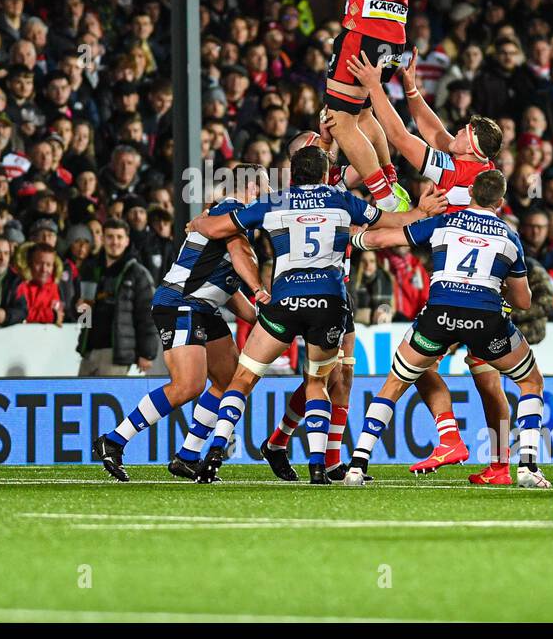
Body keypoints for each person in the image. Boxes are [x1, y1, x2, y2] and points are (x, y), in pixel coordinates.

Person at [186, 145, 442, 484]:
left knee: (243, 379)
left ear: (292, 175)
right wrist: (422, 210)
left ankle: (215, 452)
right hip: (330, 303)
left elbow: (219, 229)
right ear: (324, 175)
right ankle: (318, 465)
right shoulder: (341, 200)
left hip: (285, 302)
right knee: (319, 382)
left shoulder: (274, 202)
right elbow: (391, 222)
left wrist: (200, 222)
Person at [265, 0, 472, 212]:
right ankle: (389, 179)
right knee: (361, 114)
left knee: (339, 120)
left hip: (363, 32)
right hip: (394, 39)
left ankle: (386, 199)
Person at [339, 170, 547, 487]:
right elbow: (523, 300)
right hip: (486, 319)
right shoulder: (509, 236)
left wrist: (348, 238)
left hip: (441, 316)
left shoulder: (445, 221)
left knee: (398, 379)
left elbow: (384, 239)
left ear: (471, 193)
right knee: (526, 382)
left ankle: (357, 464)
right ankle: (525, 466)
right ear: (501, 202)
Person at [92, 164, 269, 482]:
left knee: (231, 381)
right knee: (188, 385)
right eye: (267, 186)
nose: (271, 193)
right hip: (181, 304)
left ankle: (188, 456)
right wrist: (259, 290)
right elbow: (240, 259)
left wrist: (263, 316)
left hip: (203, 307)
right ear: (253, 187)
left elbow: (227, 289)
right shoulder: (230, 210)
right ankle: (114, 440)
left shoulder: (232, 220)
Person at [75, 219, 158, 377]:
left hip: (116, 355)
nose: (115, 242)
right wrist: (79, 309)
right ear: (102, 239)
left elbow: (148, 316)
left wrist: (147, 354)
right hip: (89, 350)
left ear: (127, 240)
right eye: (110, 237)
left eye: (119, 237)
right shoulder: (92, 270)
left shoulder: (138, 274)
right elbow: (83, 314)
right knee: (83, 400)